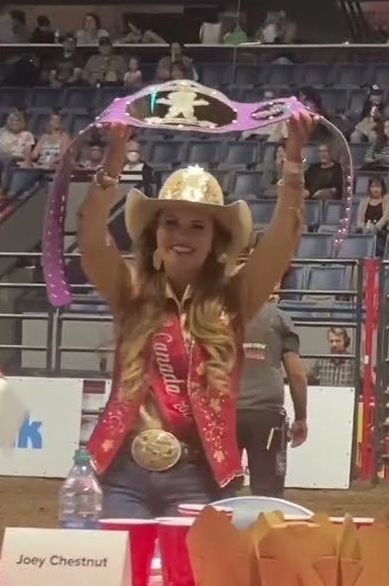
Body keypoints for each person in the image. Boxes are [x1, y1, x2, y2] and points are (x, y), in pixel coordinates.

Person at [77, 110, 313, 518]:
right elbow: (91, 239)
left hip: (199, 473)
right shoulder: (129, 291)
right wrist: (113, 164)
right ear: (155, 234)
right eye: (171, 223)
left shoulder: (235, 300)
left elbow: (281, 242)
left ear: (215, 242)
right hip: (120, 471)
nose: (181, 236)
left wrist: (292, 163)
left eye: (196, 227)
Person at [236, 271, 309, 499]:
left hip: (224, 414)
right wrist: (301, 417)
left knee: (218, 489)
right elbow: (296, 374)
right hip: (266, 414)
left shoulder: (217, 317)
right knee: (267, 491)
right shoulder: (279, 319)